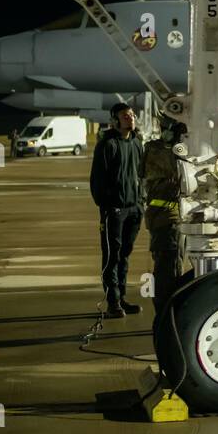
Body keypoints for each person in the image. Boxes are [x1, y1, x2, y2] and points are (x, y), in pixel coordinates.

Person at [90, 103, 145, 318]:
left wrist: (141, 202)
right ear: (115, 120)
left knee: (125, 255)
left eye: (131, 115)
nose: (130, 118)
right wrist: (107, 206)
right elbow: (97, 180)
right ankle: (112, 301)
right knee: (112, 256)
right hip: (114, 210)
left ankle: (121, 297)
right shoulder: (108, 144)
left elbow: (141, 175)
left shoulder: (136, 143)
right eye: (125, 115)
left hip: (134, 208)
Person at [145, 115, 187, 316]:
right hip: (166, 218)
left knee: (171, 266)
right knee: (167, 271)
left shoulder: (159, 148)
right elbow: (175, 171)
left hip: (166, 217)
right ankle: (166, 314)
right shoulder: (159, 150)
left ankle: (167, 310)